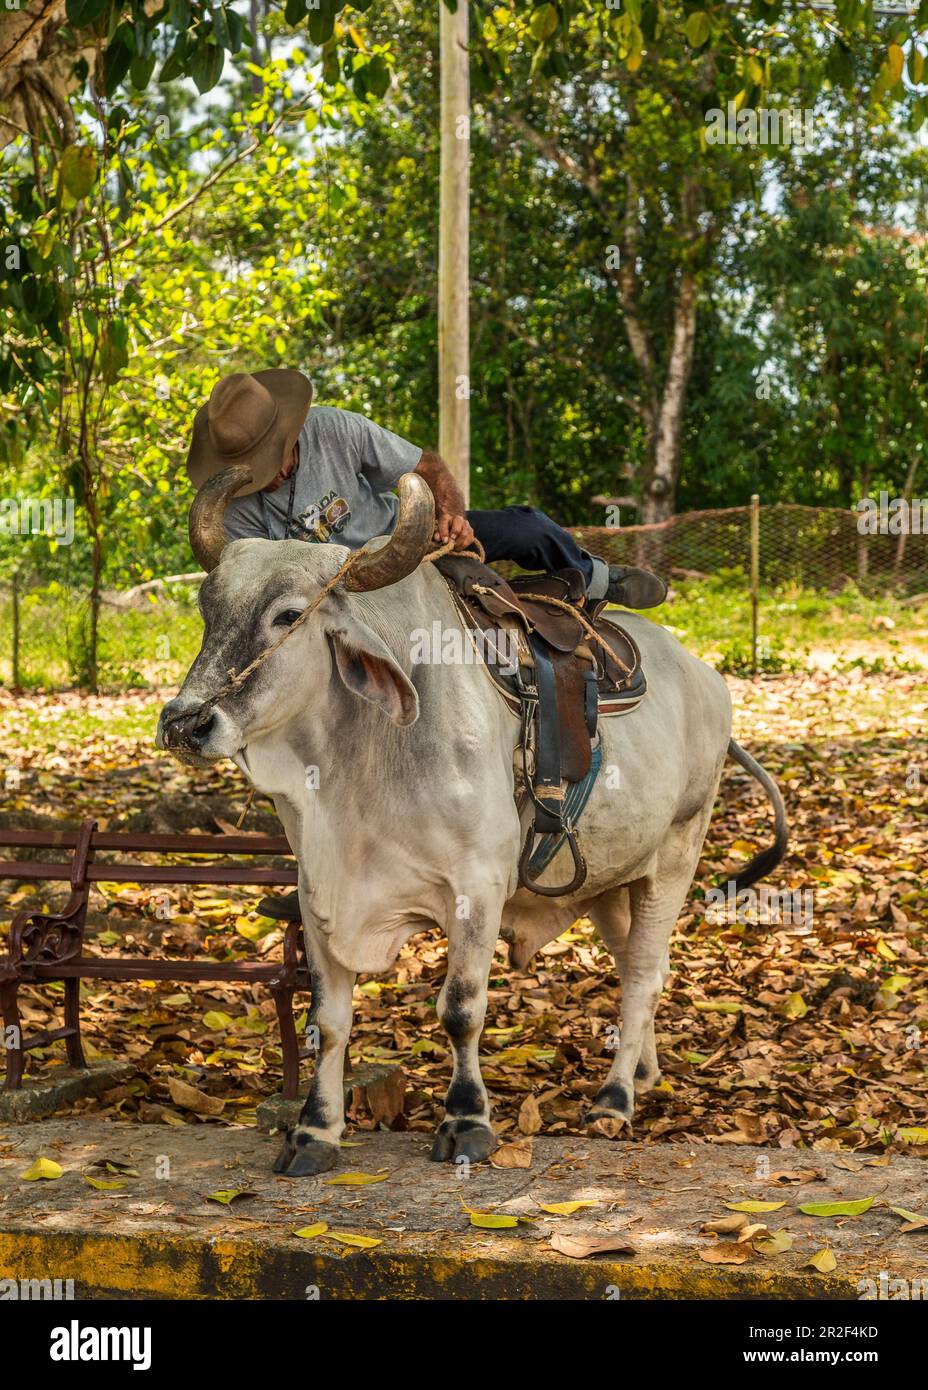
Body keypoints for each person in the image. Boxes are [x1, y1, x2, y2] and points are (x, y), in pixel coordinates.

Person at [185, 369, 667, 921]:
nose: (275, 475)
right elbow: (261, 595)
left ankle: (597, 578)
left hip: (404, 548)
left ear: (291, 434)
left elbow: (425, 467)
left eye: (278, 458)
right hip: (332, 611)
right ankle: (321, 866)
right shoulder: (239, 515)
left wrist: (449, 516)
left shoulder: (338, 430)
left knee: (529, 528)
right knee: (291, 725)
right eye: (259, 470)